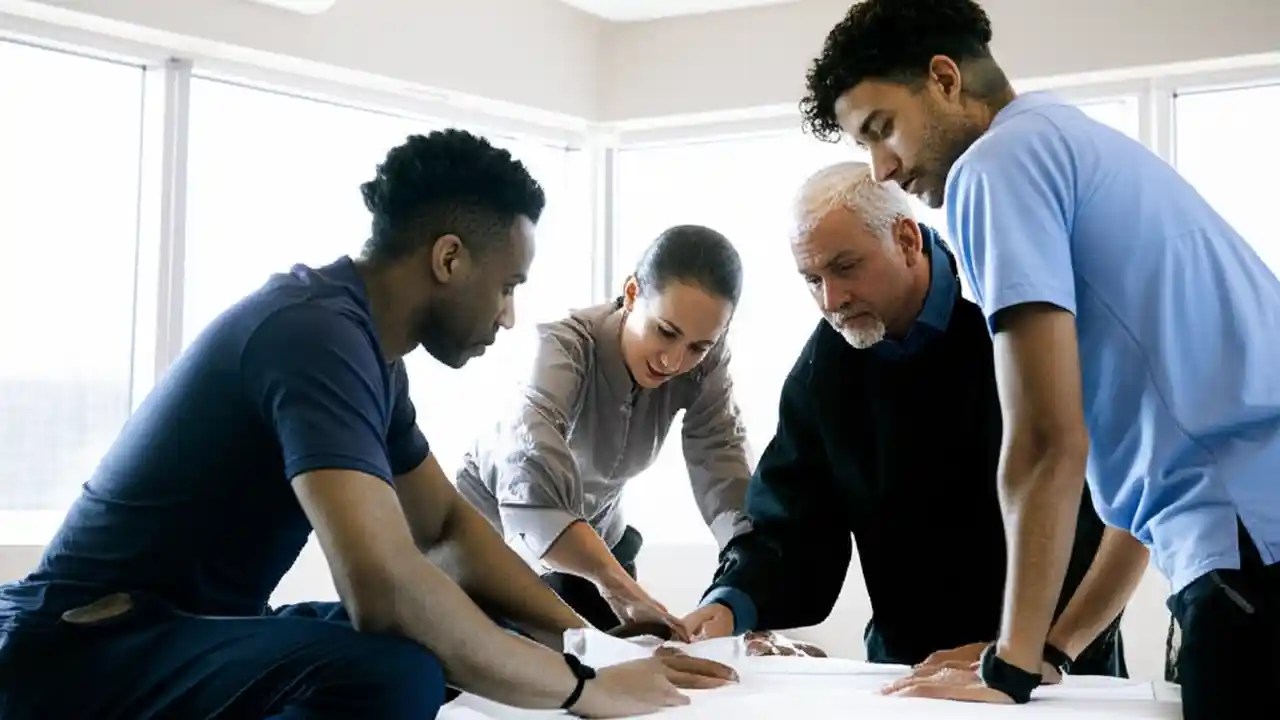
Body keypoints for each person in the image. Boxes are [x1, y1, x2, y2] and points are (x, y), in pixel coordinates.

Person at [0, 129, 736, 720]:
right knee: (397, 671)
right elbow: (382, 589)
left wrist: (589, 646)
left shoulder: (371, 358)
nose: (509, 316)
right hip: (79, 649)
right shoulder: (311, 335)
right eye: (507, 286)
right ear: (450, 258)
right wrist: (584, 691)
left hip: (189, 628)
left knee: (489, 637)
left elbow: (445, 529)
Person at [799, 1, 1280, 716]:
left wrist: (1010, 665)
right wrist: (1050, 650)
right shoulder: (1074, 141)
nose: (883, 167)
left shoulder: (996, 166)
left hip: (1250, 553)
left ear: (944, 80)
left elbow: (1045, 441)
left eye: (882, 128)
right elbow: (1150, 487)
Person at [679, 161, 1140, 678]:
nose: (831, 299)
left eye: (846, 267)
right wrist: (730, 603)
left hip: (1056, 668)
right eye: (812, 279)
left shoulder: (1018, 317)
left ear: (906, 239)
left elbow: (1106, 511)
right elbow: (792, 528)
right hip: (909, 670)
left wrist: (1029, 650)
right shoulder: (822, 372)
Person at [457, 225, 752, 638]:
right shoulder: (561, 347)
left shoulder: (706, 363)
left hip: (598, 541)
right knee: (513, 660)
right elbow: (530, 473)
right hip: (492, 531)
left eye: (698, 347)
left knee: (639, 654)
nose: (673, 361)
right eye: (666, 331)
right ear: (631, 294)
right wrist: (618, 585)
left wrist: (745, 584)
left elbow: (722, 458)